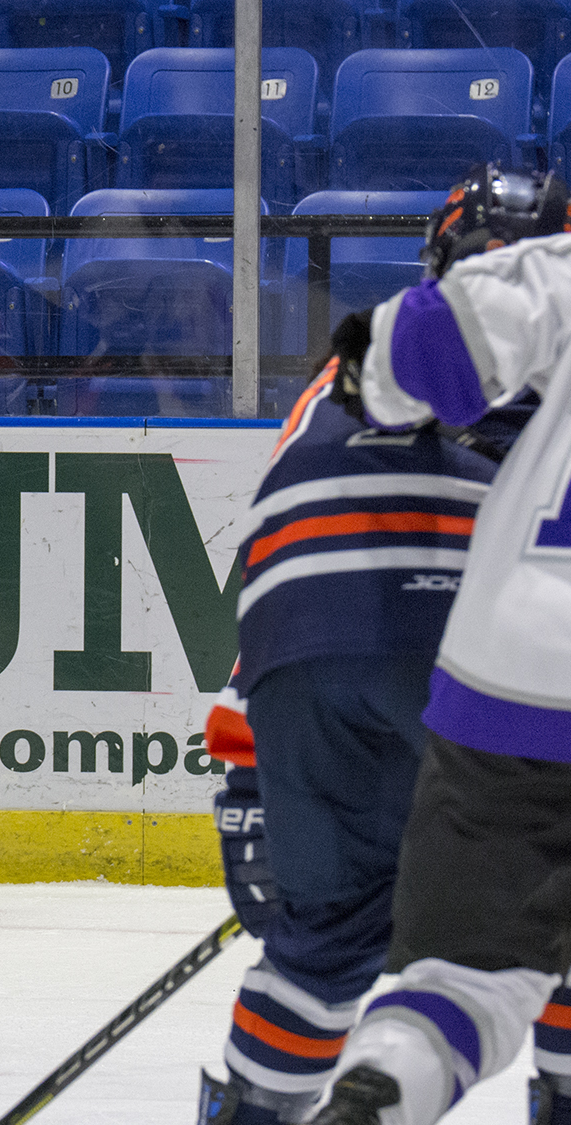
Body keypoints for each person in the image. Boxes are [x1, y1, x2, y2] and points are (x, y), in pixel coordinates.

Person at [192, 307, 533, 1123]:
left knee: (322, 942)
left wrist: (252, 777)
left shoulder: (342, 375)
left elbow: (288, 562)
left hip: (294, 650)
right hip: (467, 631)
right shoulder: (541, 354)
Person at [299, 164, 571, 1125]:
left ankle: (383, 1091)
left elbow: (408, 353)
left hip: (515, 676)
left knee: (462, 980)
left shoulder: (558, 276)